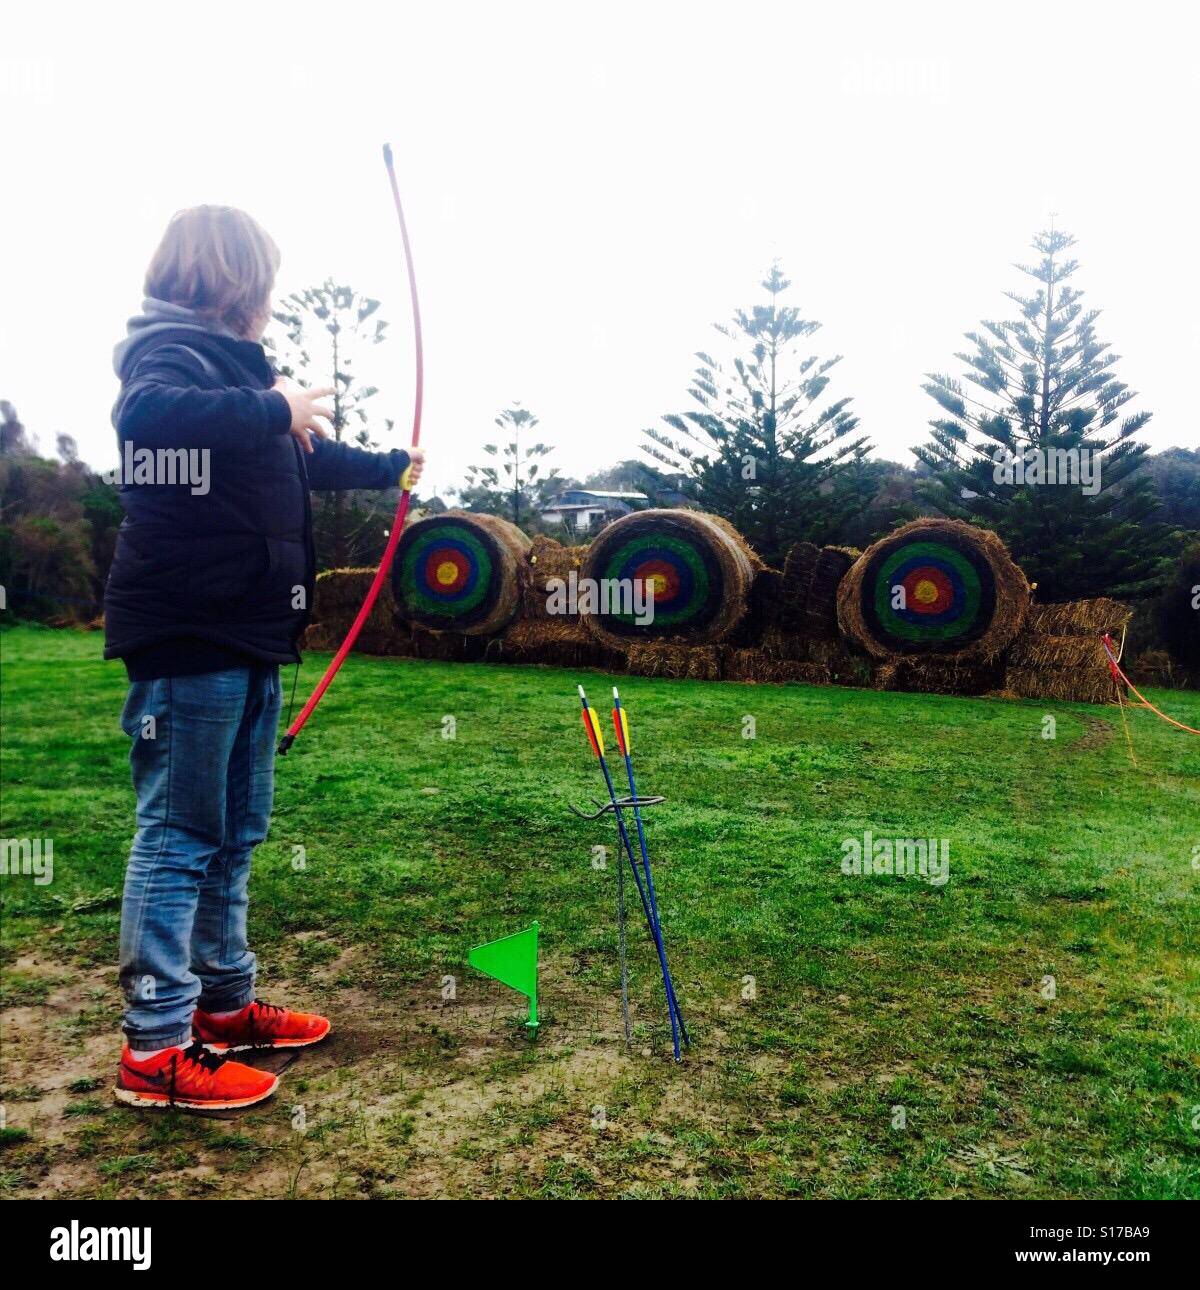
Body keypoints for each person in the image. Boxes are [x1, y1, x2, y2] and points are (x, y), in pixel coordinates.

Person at [104, 205, 425, 1111]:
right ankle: (154, 1048)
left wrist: (389, 466)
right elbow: (149, 419)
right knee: (179, 834)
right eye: (264, 283)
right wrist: (272, 404)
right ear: (231, 279)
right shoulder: (165, 355)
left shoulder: (240, 379)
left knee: (236, 829)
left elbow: (301, 459)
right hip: (189, 632)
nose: (270, 300)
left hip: (249, 631)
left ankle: (222, 1005)